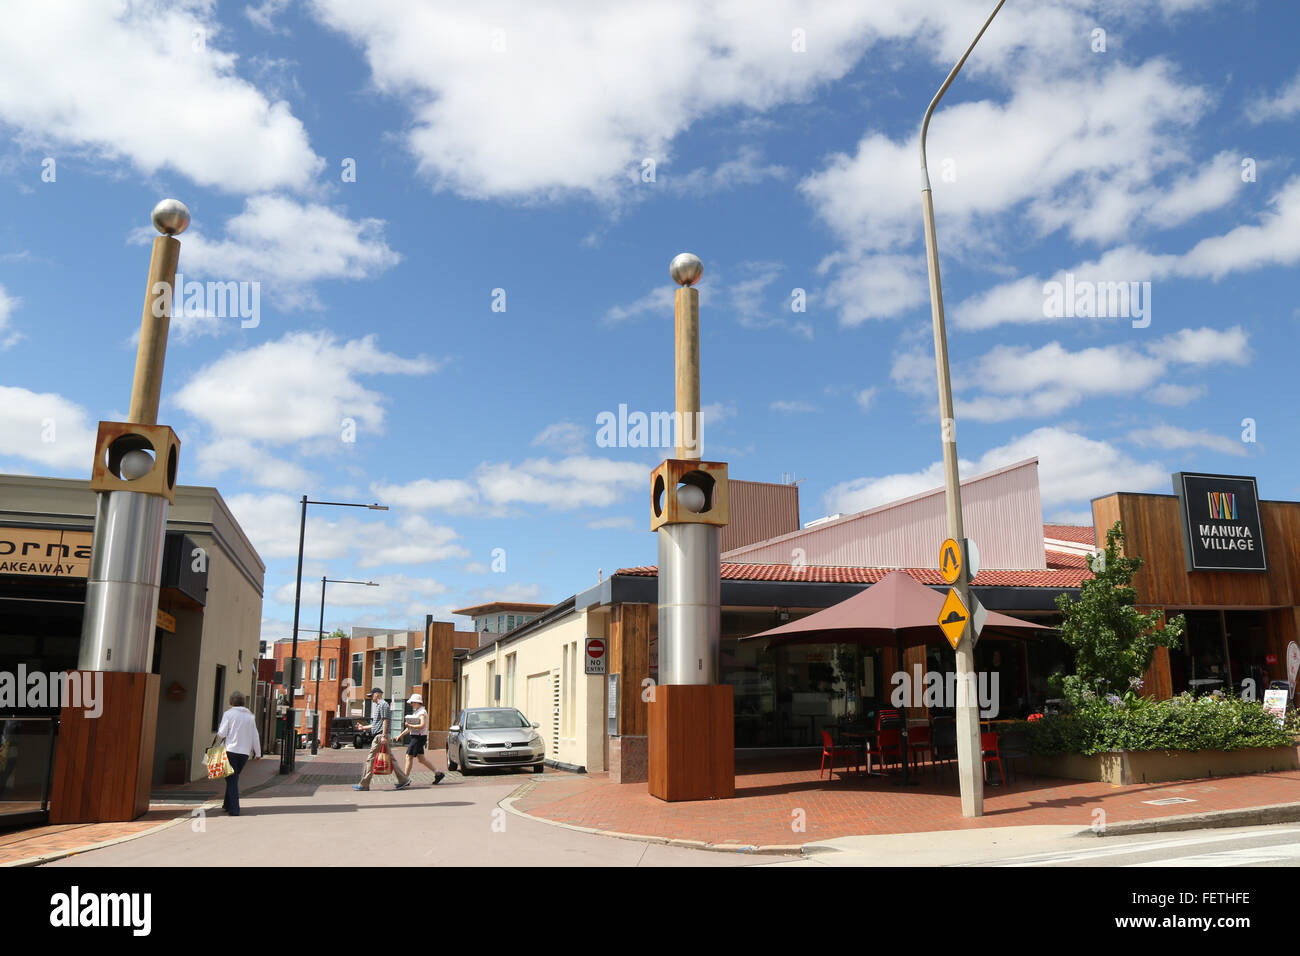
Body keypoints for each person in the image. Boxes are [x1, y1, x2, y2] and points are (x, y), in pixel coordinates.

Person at [353, 688, 410, 791]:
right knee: (391, 760)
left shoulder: (383, 705)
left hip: (380, 736)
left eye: (371, 696)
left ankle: (364, 784)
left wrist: (383, 736)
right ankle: (403, 780)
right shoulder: (380, 705)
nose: (370, 698)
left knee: (370, 759)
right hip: (380, 735)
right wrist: (363, 727)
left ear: (377, 694)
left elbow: (385, 721)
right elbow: (376, 724)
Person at [216, 690, 262, 816]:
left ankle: (234, 809)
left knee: (232, 780)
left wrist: (220, 728)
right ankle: (227, 804)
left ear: (231, 702)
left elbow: (221, 734)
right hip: (244, 754)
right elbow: (255, 736)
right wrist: (258, 753)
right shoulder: (250, 716)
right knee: (233, 778)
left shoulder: (228, 714)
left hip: (231, 751)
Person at [394, 693, 444, 785]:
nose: (411, 704)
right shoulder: (417, 712)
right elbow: (410, 728)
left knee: (409, 756)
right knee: (421, 759)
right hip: (417, 737)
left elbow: (421, 725)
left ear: (417, 702)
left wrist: (409, 725)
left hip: (419, 737)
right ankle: (438, 773)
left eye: (412, 702)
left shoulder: (422, 712)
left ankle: (405, 779)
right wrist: (400, 735)